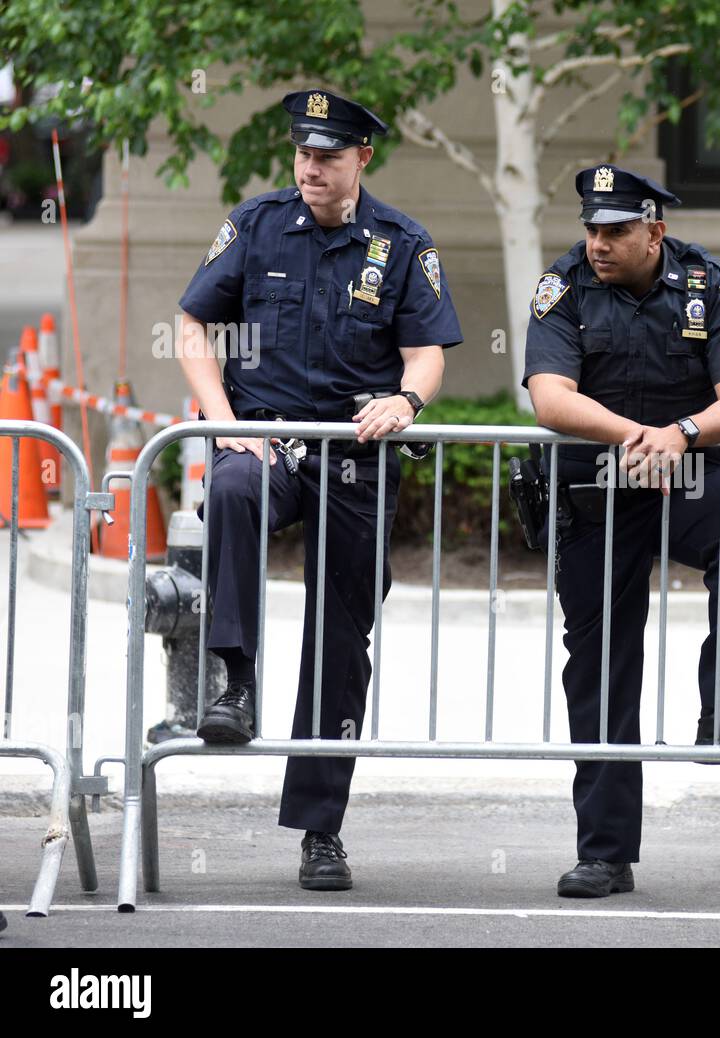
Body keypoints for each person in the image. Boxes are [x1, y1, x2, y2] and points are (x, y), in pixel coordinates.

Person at [176, 89, 463, 891]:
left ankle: (319, 830)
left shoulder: (401, 243)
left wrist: (406, 400)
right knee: (231, 485)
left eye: (328, 156)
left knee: (341, 641)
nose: (311, 168)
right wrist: (221, 417)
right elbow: (194, 324)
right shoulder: (258, 223)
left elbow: (428, 350)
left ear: (361, 159)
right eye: (303, 154)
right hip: (268, 435)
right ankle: (235, 679)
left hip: (355, 455)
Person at [524, 165, 720, 898]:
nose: (598, 243)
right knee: (601, 668)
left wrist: (683, 433)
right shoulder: (563, 286)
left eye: (616, 231)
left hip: (691, 473)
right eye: (591, 230)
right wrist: (644, 434)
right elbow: (550, 398)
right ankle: (605, 853)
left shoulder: (709, 285)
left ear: (654, 233)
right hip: (599, 487)